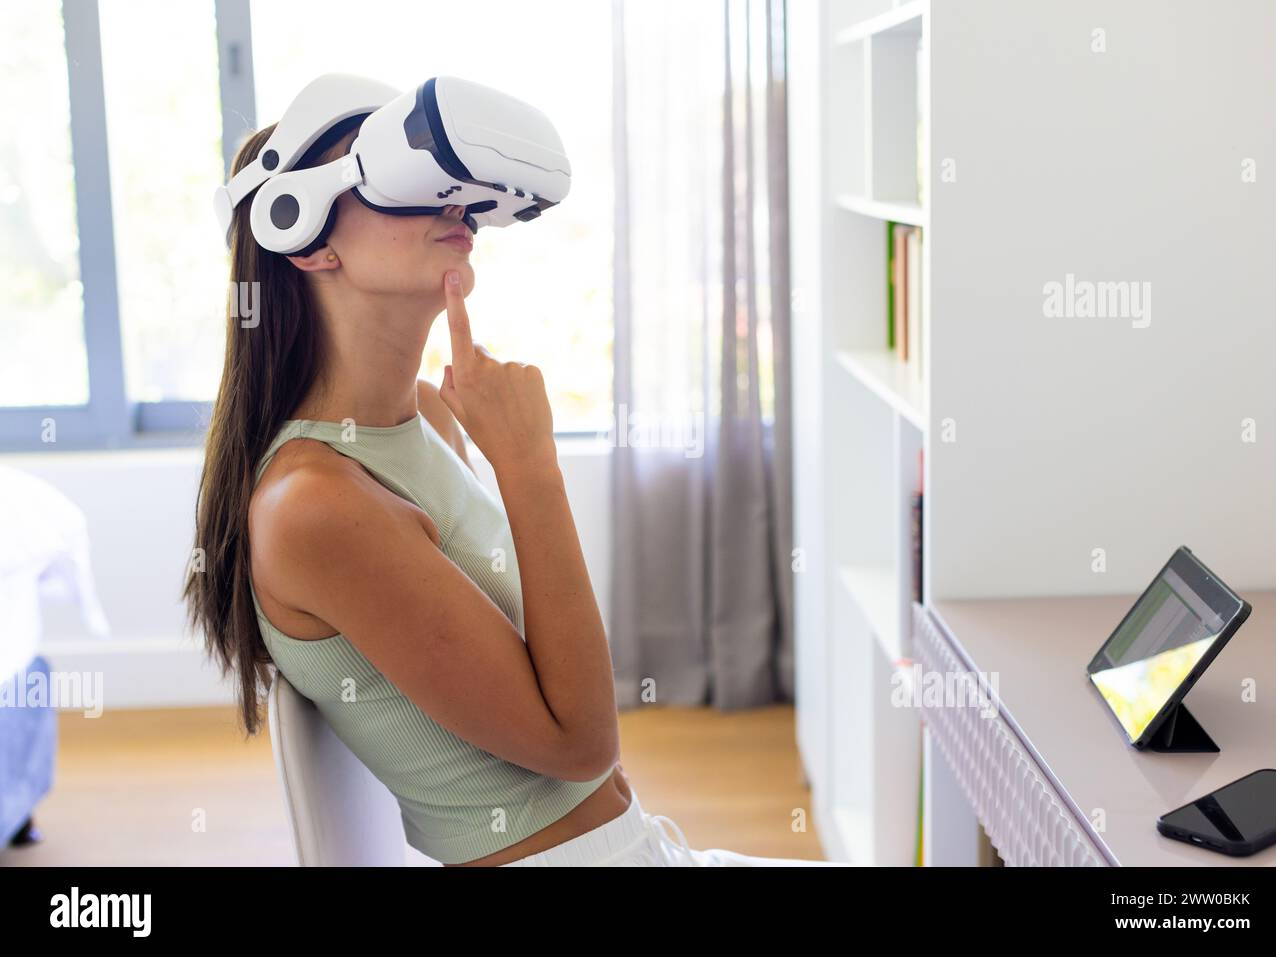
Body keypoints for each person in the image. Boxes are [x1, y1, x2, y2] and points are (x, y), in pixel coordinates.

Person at [185, 115, 836, 867]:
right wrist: (530, 468)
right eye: (399, 183)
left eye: (444, 180)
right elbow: (582, 742)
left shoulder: (426, 414)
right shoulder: (314, 506)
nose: (451, 201)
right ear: (307, 238)